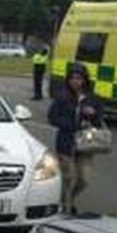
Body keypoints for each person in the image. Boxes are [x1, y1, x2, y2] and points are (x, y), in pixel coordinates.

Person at [47, 64, 104, 214]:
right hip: (66, 142)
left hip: (85, 144)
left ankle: (68, 199)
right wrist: (73, 125)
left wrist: (92, 114)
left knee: (83, 180)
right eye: (72, 78)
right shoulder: (62, 97)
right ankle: (65, 210)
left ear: (85, 80)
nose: (75, 81)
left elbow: (99, 121)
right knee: (69, 178)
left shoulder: (93, 98)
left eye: (79, 78)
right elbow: (52, 118)